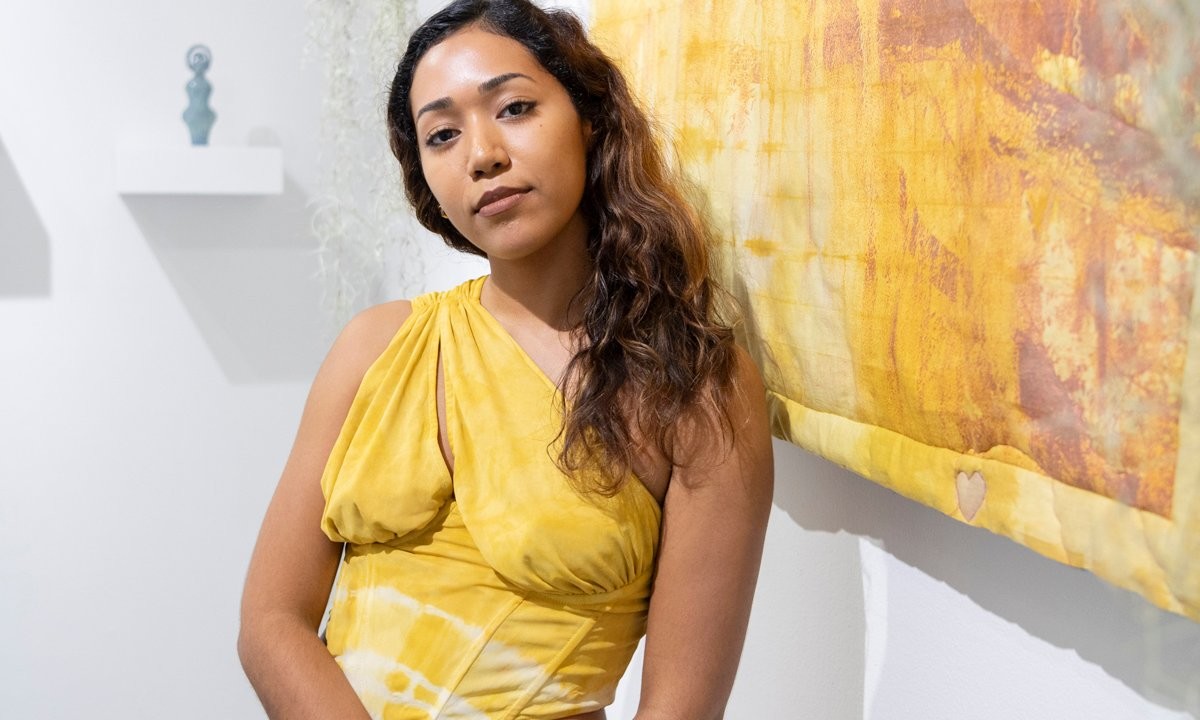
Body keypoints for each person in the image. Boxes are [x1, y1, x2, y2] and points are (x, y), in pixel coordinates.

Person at [237, 1, 773, 718]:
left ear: (589, 117)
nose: (481, 154)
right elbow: (271, 621)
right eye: (443, 135)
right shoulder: (376, 348)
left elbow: (680, 709)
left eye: (514, 108)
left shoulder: (692, 383)